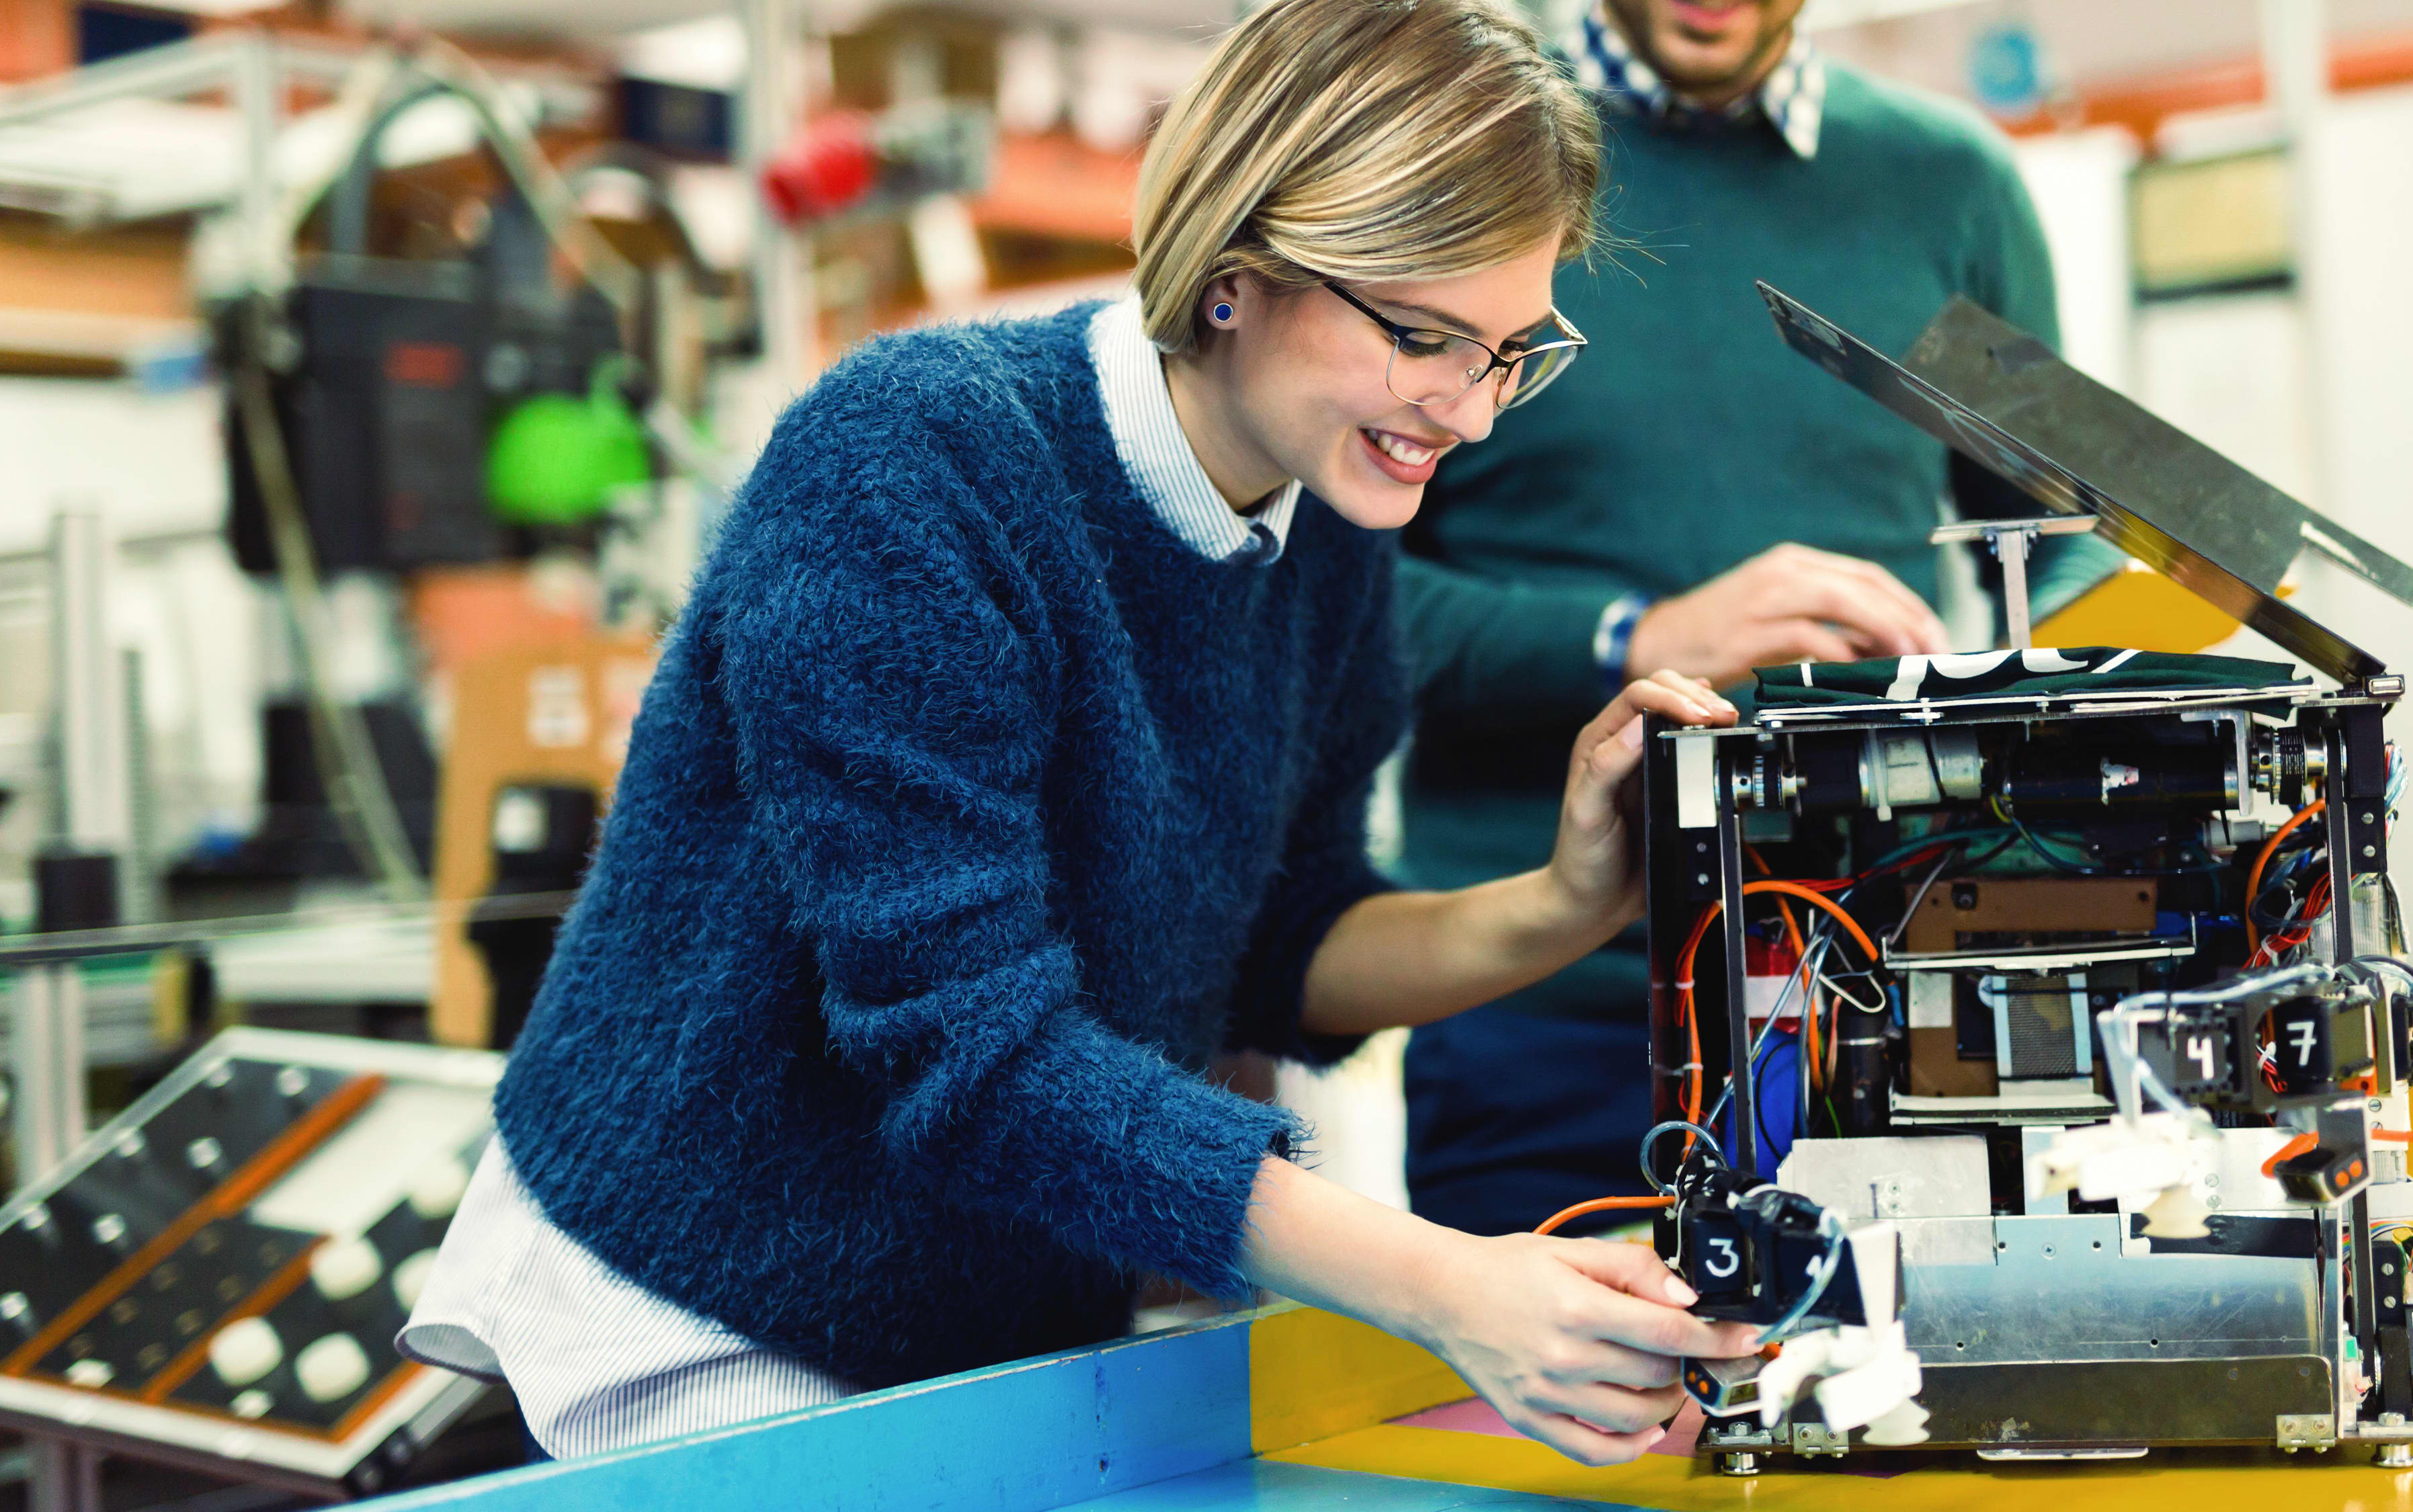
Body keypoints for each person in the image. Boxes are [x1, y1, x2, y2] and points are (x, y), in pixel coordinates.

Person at [397, 0, 1763, 1468]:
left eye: (1508, 352)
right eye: (1424, 337)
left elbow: (1280, 942)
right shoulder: (914, 464)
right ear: (1239, 268)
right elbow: (972, 1057)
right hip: (720, 1272)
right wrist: (1448, 1286)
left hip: (989, 1278)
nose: (1469, 412)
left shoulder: (1325, 523)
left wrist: (1565, 901)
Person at [1396, 0, 2120, 1236]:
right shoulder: (1451, 158)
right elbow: (1331, 612)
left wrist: (2025, 687)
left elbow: (2057, 543)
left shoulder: (1952, 185)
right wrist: (1633, 637)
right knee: (1537, 1425)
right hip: (1544, 1004)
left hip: (1882, 987)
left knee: (1890, 1409)